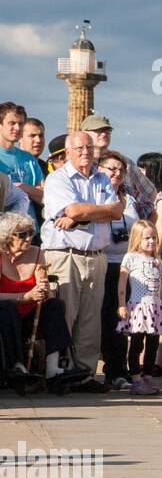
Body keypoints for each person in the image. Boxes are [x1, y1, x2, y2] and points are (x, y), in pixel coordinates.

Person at [40, 130, 123, 392]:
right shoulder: (57, 179)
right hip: (66, 255)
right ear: (68, 152)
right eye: (79, 148)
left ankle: (85, 374)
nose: (85, 152)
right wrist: (90, 212)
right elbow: (73, 210)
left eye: (89, 147)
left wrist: (83, 213)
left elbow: (117, 210)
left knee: (90, 321)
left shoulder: (101, 178)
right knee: (66, 315)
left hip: (96, 255)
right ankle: (60, 371)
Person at [0, 212, 83, 385]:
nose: (28, 238)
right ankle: (17, 366)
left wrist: (44, 291)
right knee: (7, 307)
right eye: (22, 234)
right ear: (8, 236)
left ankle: (54, 367)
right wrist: (23, 296)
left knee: (54, 305)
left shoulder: (37, 253)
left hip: (30, 314)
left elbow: (43, 285)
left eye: (31, 233)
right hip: (6, 316)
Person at [97, 150, 141, 388]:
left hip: (127, 266)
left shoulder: (129, 199)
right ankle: (105, 370)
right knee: (103, 319)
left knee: (121, 319)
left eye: (120, 170)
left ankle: (120, 371)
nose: (116, 173)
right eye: (111, 169)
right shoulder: (96, 196)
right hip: (103, 262)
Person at [115, 221, 162, 396]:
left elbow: (160, 287)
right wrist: (122, 304)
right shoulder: (130, 258)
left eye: (154, 237)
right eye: (147, 238)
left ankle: (147, 376)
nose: (152, 241)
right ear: (138, 239)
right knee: (137, 343)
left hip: (155, 308)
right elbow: (122, 283)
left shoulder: (157, 261)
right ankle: (136, 378)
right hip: (139, 307)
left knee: (153, 344)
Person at [137, 152, 162, 375]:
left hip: (158, 255)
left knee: (161, 305)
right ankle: (149, 360)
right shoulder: (145, 195)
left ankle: (159, 362)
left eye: (144, 168)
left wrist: (153, 253)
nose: (140, 172)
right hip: (151, 252)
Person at [80, 115, 156, 214]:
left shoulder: (126, 162)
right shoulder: (80, 165)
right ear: (84, 133)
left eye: (107, 131)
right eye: (98, 130)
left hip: (128, 224)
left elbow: (151, 192)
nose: (104, 134)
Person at [0, 102, 44, 216]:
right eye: (12, 123)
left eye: (20, 123)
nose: (17, 128)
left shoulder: (28, 158)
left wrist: (22, 187)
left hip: (30, 228)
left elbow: (44, 197)